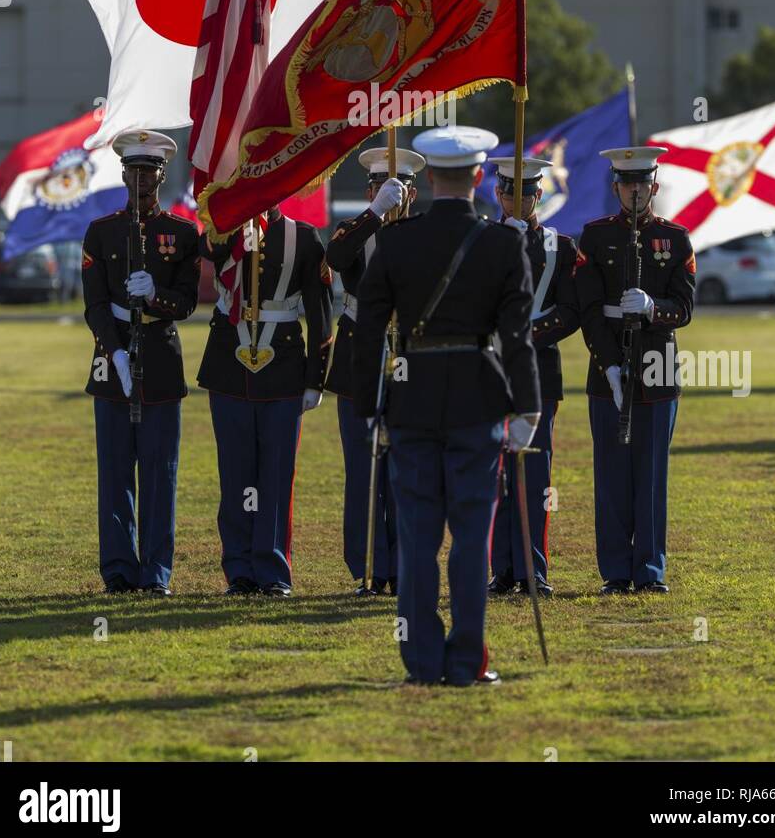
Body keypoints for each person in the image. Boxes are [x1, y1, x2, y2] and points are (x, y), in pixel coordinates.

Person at [353, 126, 540, 687]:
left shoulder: (394, 241)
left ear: (429, 177)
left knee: (416, 541)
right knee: (470, 540)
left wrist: (369, 409)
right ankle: (465, 662)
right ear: (480, 177)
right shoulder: (503, 244)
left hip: (410, 401)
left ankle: (422, 663)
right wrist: (527, 408)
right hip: (478, 401)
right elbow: (518, 338)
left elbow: (366, 333)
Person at [81, 130, 200, 596]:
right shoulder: (102, 231)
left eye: (148, 172)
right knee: (114, 473)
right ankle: (117, 569)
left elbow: (188, 303)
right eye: (133, 171)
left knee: (158, 473)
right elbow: (93, 306)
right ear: (123, 173)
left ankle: (155, 573)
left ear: (161, 175)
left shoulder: (183, 233)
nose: (140, 180)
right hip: (113, 362)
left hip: (160, 357)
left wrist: (157, 297)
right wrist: (115, 354)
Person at [574, 146, 695, 595]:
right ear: (616, 189)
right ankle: (616, 572)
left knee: (651, 475)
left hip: (658, 368)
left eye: (643, 184)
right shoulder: (595, 237)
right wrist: (608, 366)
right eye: (628, 184)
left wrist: (652, 308)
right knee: (611, 474)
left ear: (655, 187)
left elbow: (684, 309)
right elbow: (588, 309)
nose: (636, 191)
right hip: (607, 365)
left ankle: (650, 570)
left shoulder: (675, 238)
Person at [198, 205, 332, 597]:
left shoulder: (304, 237)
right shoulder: (225, 230)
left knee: (275, 475)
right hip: (228, 366)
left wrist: (316, 378)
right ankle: (238, 569)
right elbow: (207, 249)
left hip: (284, 368)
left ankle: (272, 568)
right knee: (236, 473)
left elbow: (319, 309)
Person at [324, 146, 424, 596]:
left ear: (413, 191)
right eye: (378, 186)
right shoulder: (355, 229)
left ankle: (404, 566)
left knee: (406, 465)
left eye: (396, 187)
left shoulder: (423, 232)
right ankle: (367, 567)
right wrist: (374, 213)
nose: (387, 192)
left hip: (408, 351)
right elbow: (336, 257)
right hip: (359, 347)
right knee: (362, 467)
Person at [489, 158, 579, 598]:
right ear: (497, 194)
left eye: (526, 194)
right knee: (495, 471)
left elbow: (571, 310)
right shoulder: (482, 239)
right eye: (510, 193)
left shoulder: (561, 246)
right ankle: (501, 569)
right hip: (489, 367)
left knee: (534, 474)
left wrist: (527, 334)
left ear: (538, 196)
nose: (518, 201)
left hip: (539, 366)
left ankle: (532, 569)